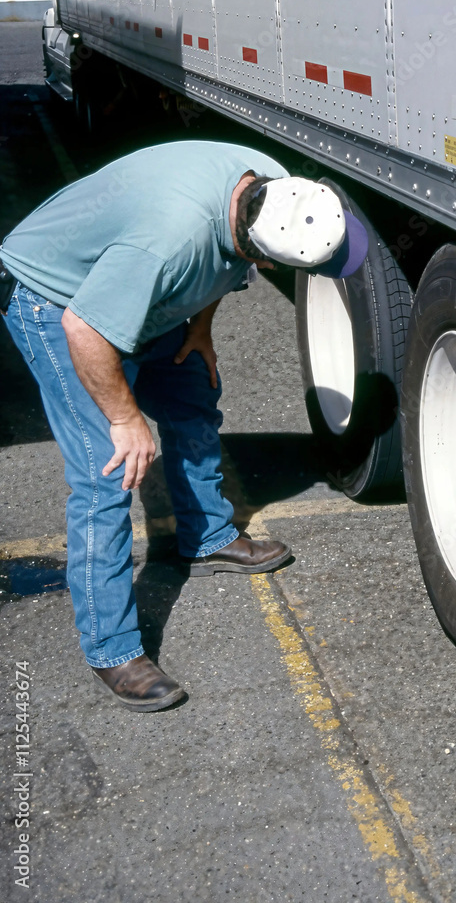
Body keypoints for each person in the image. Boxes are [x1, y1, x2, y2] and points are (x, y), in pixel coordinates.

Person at [0, 140, 368, 712]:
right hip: (55, 300)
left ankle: (207, 535)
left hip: (124, 287)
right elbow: (84, 329)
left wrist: (200, 328)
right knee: (109, 471)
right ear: (270, 259)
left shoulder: (270, 186)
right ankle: (111, 648)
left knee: (192, 387)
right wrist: (125, 420)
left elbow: (225, 263)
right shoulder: (165, 247)